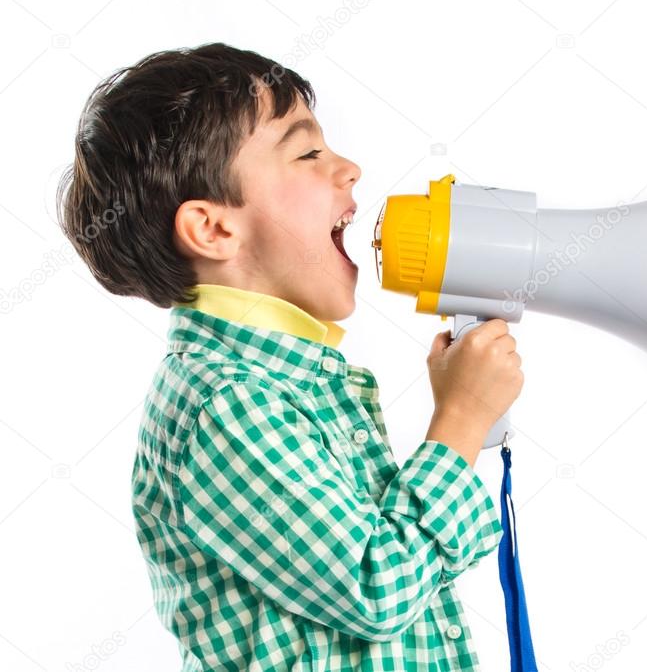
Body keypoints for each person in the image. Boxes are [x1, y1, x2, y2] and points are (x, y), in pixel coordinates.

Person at [55, 42, 524, 671]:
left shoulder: (294, 380)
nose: (351, 168)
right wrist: (461, 421)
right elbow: (375, 585)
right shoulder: (227, 404)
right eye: (308, 153)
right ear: (214, 229)